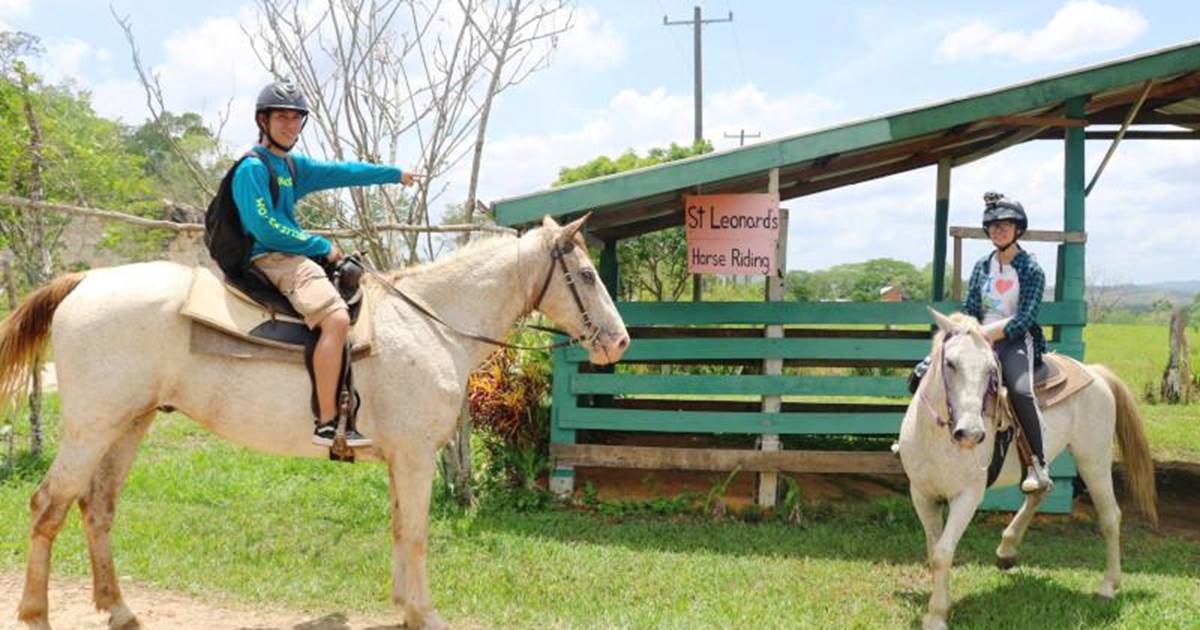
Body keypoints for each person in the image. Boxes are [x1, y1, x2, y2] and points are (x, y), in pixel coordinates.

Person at [234, 80, 419, 448]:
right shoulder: (252, 168)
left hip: (291, 253)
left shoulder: (290, 166)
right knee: (335, 319)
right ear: (262, 121)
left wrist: (394, 174)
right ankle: (328, 422)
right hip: (271, 257)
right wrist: (320, 245)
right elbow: (263, 226)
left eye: (295, 118)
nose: (289, 125)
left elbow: (343, 171)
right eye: (281, 117)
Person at [962, 191, 1052, 493]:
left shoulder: (1031, 269)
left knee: (1019, 389)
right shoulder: (980, 267)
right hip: (978, 337)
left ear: (1017, 229)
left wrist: (990, 335)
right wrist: (970, 331)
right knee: (934, 371)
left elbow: (1025, 318)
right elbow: (970, 309)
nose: (999, 230)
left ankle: (1037, 463)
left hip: (1013, 340)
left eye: (1005, 225)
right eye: (993, 226)